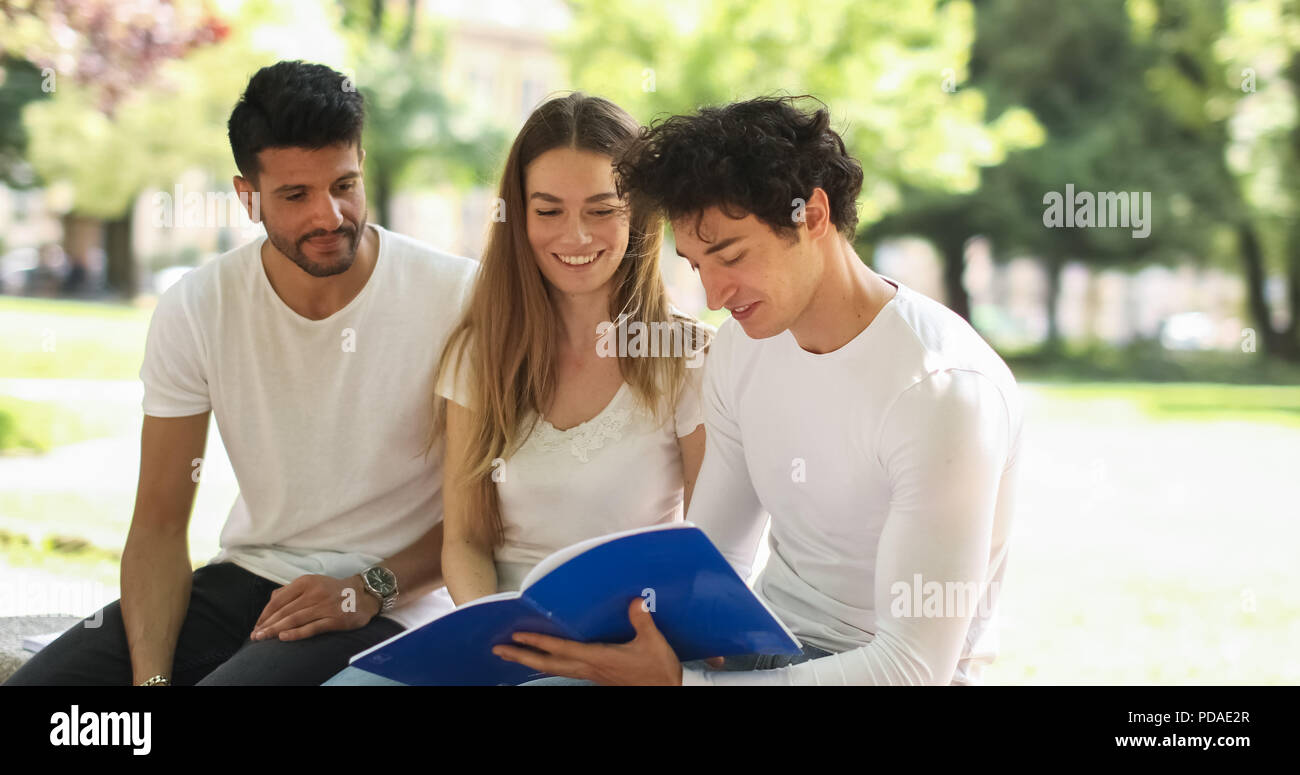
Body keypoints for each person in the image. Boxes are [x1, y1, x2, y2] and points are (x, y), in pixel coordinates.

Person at [494, 96, 1024, 686]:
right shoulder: (742, 350)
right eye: (696, 266)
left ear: (813, 216)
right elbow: (716, 565)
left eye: (731, 256)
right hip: (760, 651)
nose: (716, 296)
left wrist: (682, 684)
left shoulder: (942, 391)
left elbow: (912, 668)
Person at [5, 60, 477, 686]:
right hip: (246, 579)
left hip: (391, 601)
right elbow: (159, 525)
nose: (329, 216)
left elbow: (486, 511)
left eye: (344, 184)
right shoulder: (198, 305)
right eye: (295, 195)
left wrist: (370, 587)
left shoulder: (455, 296)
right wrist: (150, 687)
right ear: (246, 195)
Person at [323, 92, 709, 686]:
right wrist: (487, 644)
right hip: (496, 636)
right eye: (548, 210)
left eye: (602, 209)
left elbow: (710, 556)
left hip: (620, 649)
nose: (575, 235)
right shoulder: (482, 353)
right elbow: (467, 542)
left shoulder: (688, 360)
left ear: (640, 215)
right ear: (517, 216)